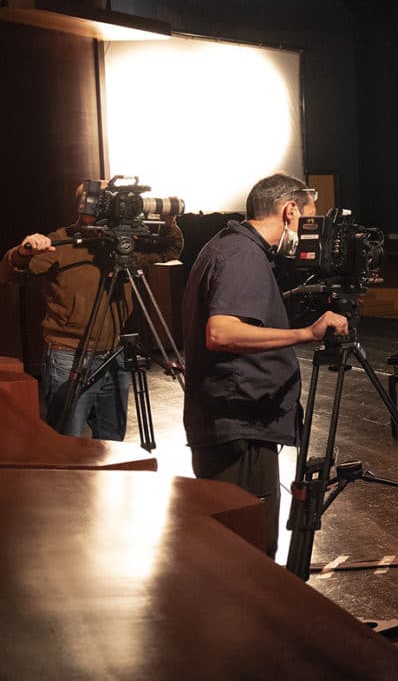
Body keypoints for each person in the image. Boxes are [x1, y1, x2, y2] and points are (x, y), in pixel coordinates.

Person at [181, 173, 350, 556]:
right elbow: (222, 332)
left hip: (236, 424)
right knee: (248, 552)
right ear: (291, 211)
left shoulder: (229, 247)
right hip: (240, 429)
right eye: (310, 221)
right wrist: (307, 333)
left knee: (237, 548)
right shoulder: (242, 255)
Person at [1, 185, 184, 440]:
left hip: (114, 352)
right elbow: (11, 273)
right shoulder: (61, 242)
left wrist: (169, 222)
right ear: (83, 206)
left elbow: (170, 250)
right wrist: (23, 252)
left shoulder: (123, 244)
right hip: (69, 356)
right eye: (101, 202)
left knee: (113, 442)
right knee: (67, 441)